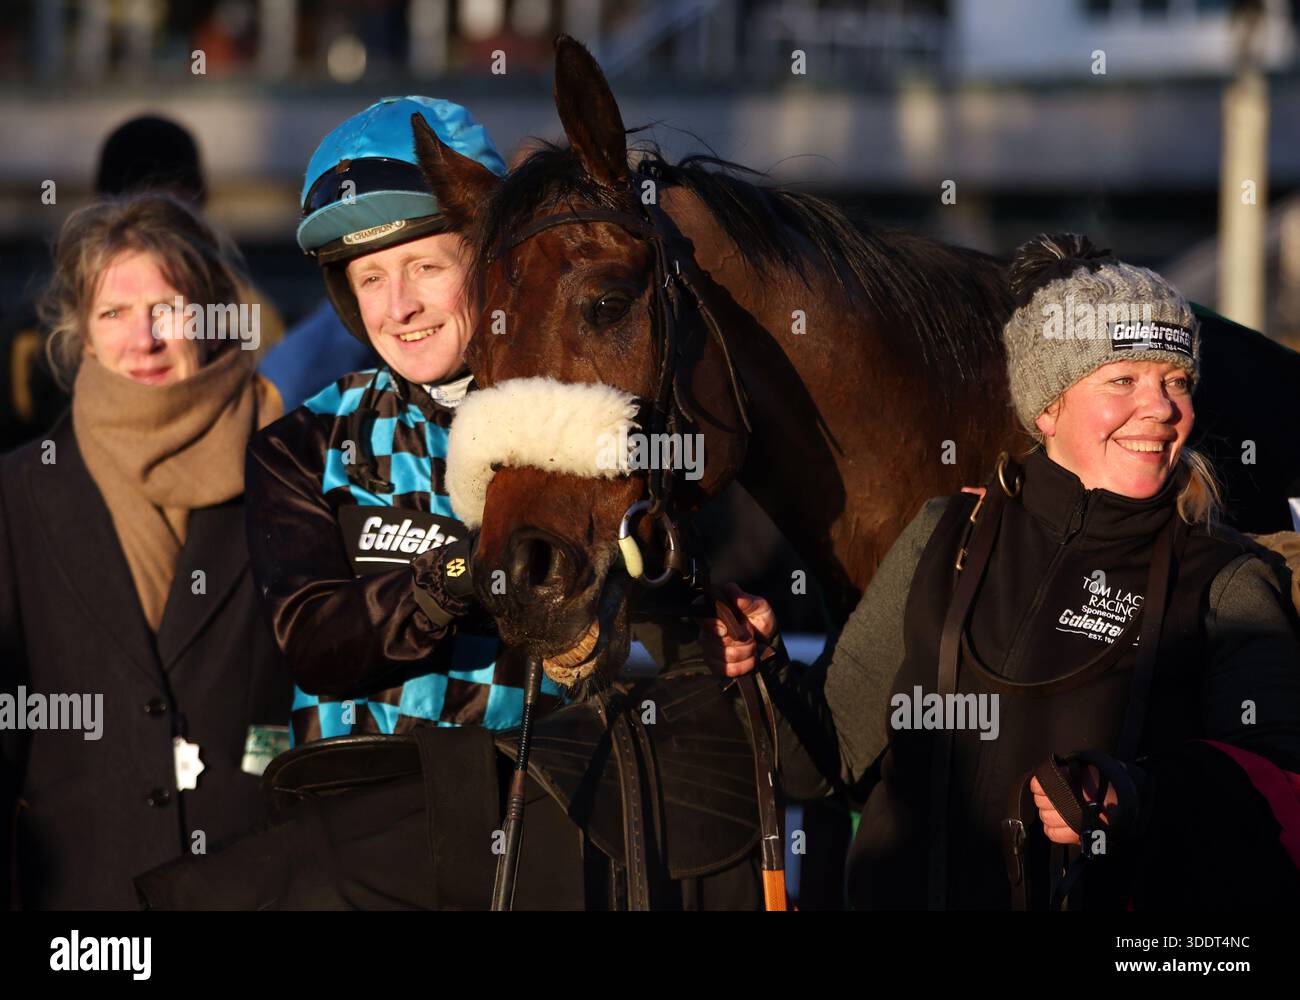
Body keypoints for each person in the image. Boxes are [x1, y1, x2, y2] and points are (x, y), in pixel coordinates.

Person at [700, 234, 1300, 909]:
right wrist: (764, 666)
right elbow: (827, 762)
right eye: (1124, 380)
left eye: (1176, 382)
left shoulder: (1224, 579)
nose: (1162, 408)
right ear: (1048, 408)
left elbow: (1280, 795)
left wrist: (1133, 794)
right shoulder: (944, 535)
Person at [0, 193, 292, 909]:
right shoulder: (17, 492)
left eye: (168, 309)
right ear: (81, 337)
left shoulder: (289, 472)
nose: (145, 339)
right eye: (114, 314)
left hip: (259, 889)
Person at [246, 96, 566, 745]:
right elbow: (314, 643)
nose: (400, 307)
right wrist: (456, 576)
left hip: (543, 814)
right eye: (369, 279)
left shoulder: (572, 427)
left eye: (425, 267)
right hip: (356, 820)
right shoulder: (303, 443)